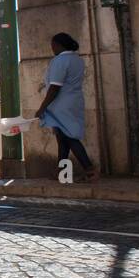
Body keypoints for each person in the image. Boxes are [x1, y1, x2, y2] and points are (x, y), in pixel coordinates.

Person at [35, 32, 99, 182]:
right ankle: (62, 170)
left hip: (60, 104)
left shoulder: (60, 61)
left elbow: (55, 87)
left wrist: (43, 107)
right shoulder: (77, 60)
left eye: (53, 45)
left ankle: (89, 169)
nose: (52, 49)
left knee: (68, 137)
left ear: (58, 45)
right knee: (62, 136)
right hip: (74, 101)